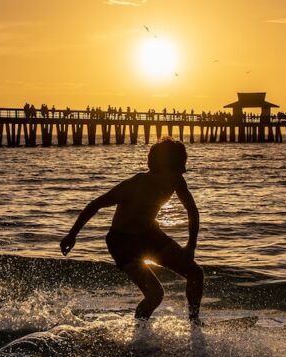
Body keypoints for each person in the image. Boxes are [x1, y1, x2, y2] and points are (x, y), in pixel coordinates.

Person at [60, 137, 203, 324]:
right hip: (122, 242)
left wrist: (191, 244)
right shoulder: (135, 184)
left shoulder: (176, 180)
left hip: (150, 236)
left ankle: (194, 323)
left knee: (195, 273)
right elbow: (96, 204)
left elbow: (192, 211)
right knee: (155, 295)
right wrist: (72, 235)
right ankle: (139, 334)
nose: (180, 170)